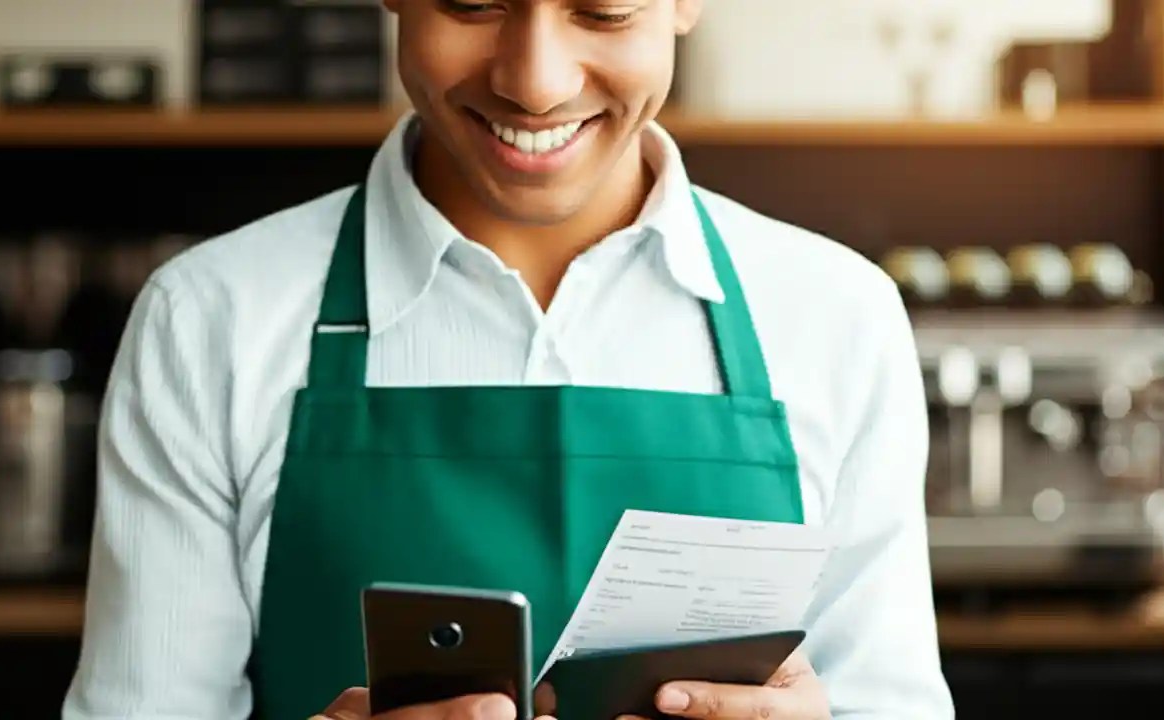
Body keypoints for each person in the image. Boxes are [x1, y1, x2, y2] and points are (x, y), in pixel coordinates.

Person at [63, 1, 954, 718]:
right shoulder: (207, 320)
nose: (536, 81)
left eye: (601, 12)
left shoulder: (839, 317)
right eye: (473, 2)